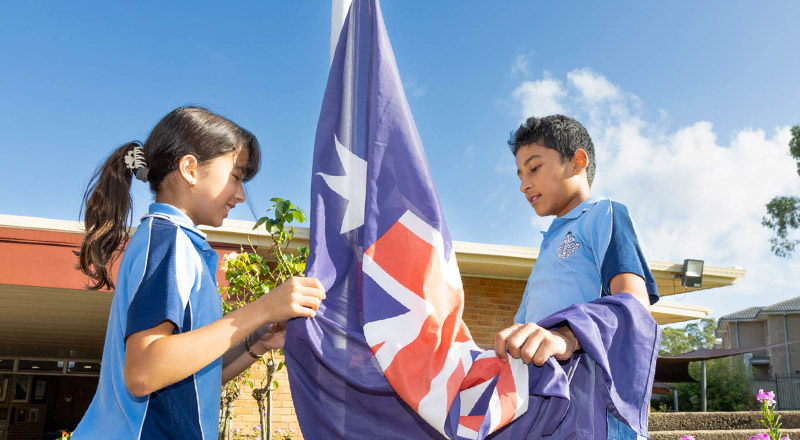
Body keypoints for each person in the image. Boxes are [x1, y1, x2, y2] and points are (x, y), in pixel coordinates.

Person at [72, 107, 325, 439]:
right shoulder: (167, 241)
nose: (241, 194)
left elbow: (186, 377)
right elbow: (144, 371)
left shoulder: (178, 244)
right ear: (189, 169)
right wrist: (262, 308)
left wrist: (256, 344)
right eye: (236, 176)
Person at [493, 114, 659, 439]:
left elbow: (634, 304)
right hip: (544, 406)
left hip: (593, 408)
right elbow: (528, 327)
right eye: (520, 174)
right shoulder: (548, 243)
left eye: (535, 168)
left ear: (577, 162)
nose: (524, 184)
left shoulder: (604, 213)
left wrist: (568, 336)